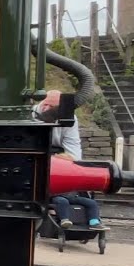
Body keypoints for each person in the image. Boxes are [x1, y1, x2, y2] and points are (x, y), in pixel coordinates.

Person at [36, 89, 103, 229]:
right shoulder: (33, 114)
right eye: (45, 104)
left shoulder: (69, 118)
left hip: (59, 157)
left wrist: (64, 161)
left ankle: (92, 221)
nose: (46, 109)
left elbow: (73, 151)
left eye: (51, 107)